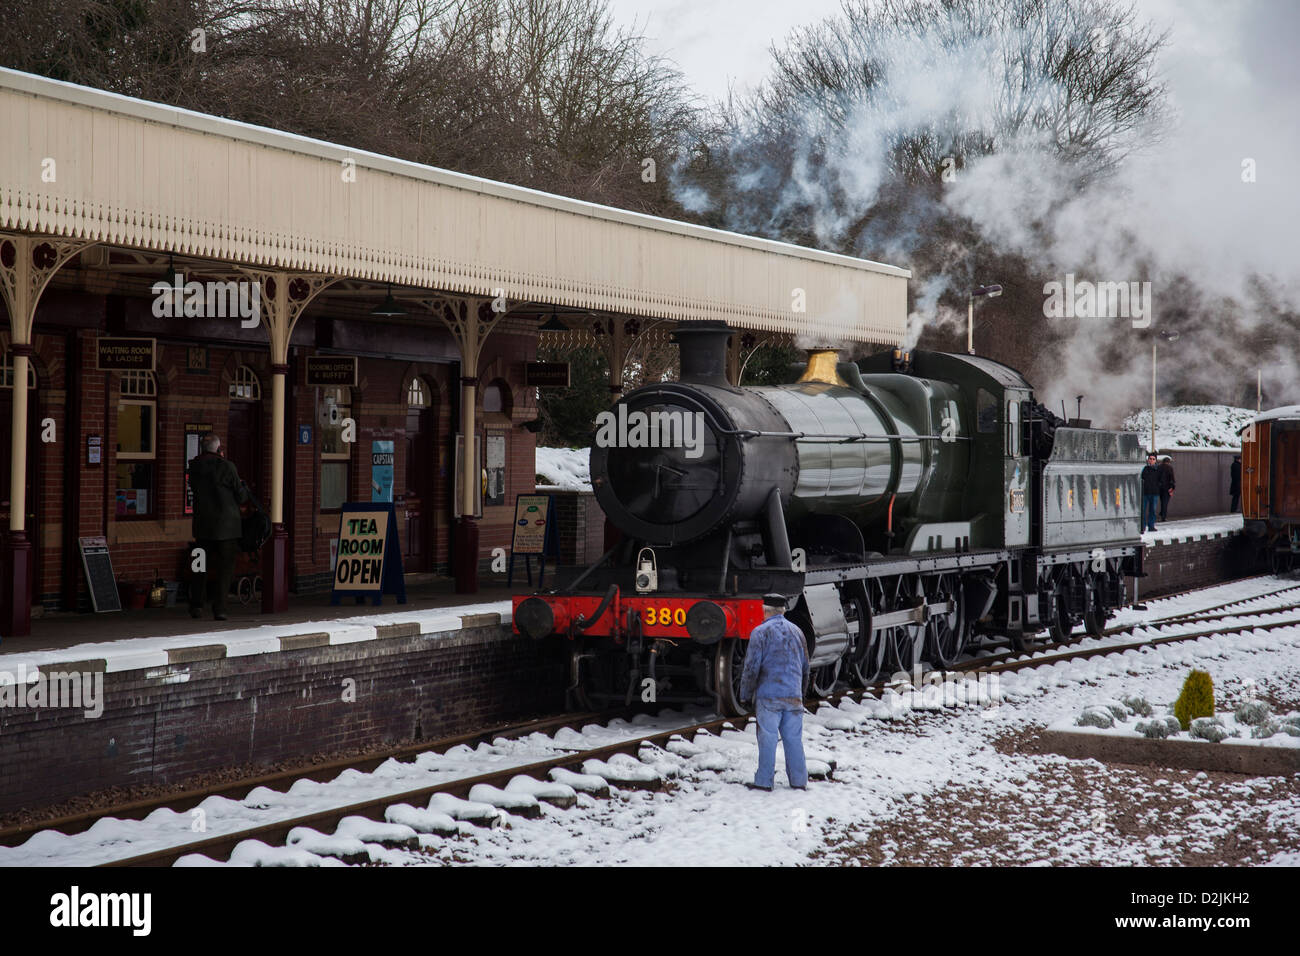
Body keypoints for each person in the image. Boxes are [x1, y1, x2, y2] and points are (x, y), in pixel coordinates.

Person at [738, 594, 810, 791]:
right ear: (783, 610)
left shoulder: (760, 633)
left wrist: (745, 695)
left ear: (765, 610)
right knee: (794, 739)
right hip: (794, 695)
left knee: (768, 738)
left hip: (768, 696)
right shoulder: (798, 631)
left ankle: (763, 781)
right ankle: (798, 780)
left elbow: (751, 668)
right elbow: (805, 667)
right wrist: (801, 692)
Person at [188, 433, 250, 620]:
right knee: (225, 568)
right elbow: (241, 496)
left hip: (202, 526)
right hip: (226, 527)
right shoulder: (227, 466)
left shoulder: (194, 467)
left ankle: (196, 605)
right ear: (218, 448)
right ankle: (220, 608)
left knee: (199, 566)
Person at [1140, 453, 1161, 532]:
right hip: (1145, 492)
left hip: (1154, 493)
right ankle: (1143, 526)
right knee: (1143, 510)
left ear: (1155, 460)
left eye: (1153, 459)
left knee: (1152, 510)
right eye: (1150, 459)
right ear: (1148, 460)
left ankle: (1151, 525)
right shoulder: (1145, 469)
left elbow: (1161, 480)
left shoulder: (1158, 470)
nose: (1151, 460)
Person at [1157, 454, 1176, 522]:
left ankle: (1162, 513)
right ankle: (1163, 516)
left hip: (1159, 488)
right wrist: (1172, 487)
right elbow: (1172, 478)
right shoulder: (1170, 468)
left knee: (1162, 501)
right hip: (1167, 488)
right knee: (1165, 502)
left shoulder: (1159, 467)